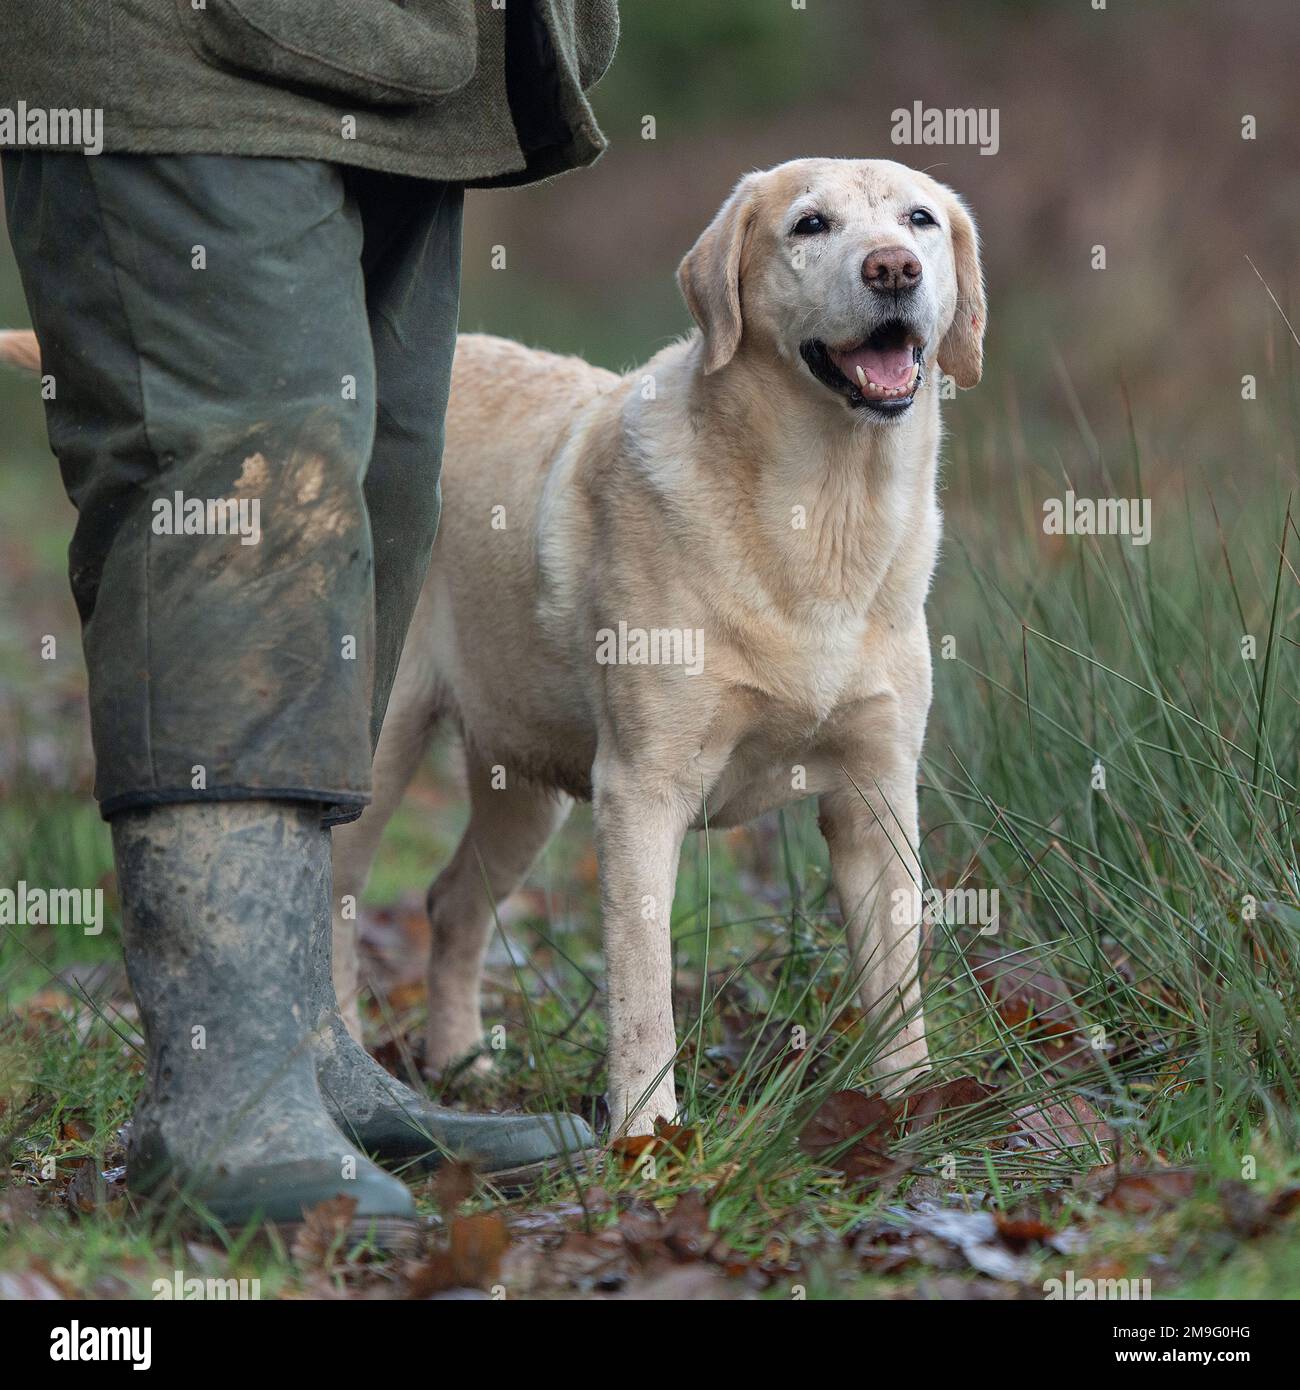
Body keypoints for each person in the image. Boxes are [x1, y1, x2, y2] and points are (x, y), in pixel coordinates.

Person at [0, 0, 618, 1239]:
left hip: (416, 63)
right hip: (182, 48)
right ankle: (226, 1090)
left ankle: (299, 1052)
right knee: (243, 482)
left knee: (373, 497)